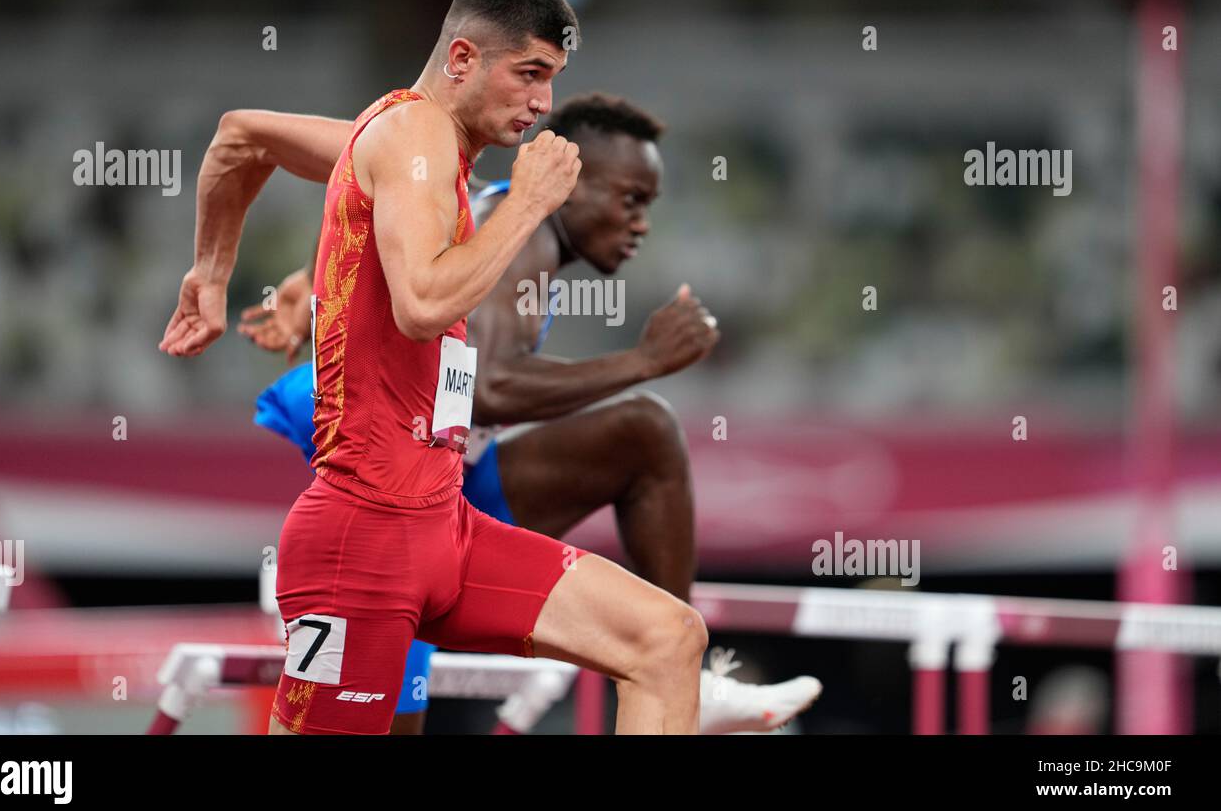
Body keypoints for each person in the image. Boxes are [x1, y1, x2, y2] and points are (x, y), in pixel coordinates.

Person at [159, 0, 708, 734]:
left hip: (445, 528)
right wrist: (527, 203)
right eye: (529, 73)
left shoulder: (414, 152)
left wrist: (211, 277)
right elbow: (421, 304)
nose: (543, 103)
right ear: (461, 60)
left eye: (551, 79)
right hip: (364, 538)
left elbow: (240, 138)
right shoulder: (414, 131)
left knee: (667, 638)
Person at [237, 92, 823, 734]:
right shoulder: (524, 242)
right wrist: (643, 360)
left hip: (442, 478)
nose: (642, 224)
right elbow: (487, 385)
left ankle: (686, 678)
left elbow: (388, 194)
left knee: (643, 439)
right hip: (377, 493)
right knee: (644, 427)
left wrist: (313, 278)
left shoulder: (483, 202)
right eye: (631, 200)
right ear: (567, 185)